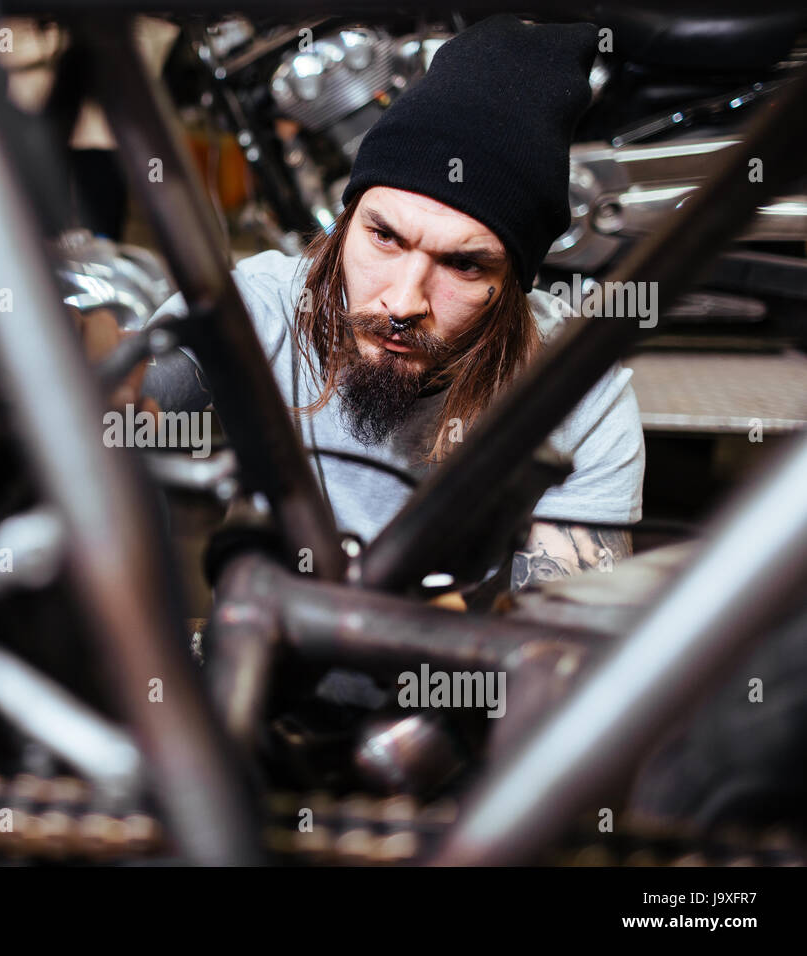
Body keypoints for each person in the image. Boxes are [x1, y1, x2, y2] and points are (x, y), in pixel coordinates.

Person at [90, 15, 645, 592]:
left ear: (512, 286)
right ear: (345, 223)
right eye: (385, 236)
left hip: (453, 668)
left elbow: (562, 645)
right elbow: (122, 412)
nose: (403, 303)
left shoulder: (578, 391)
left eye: (463, 263)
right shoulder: (264, 307)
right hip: (272, 650)